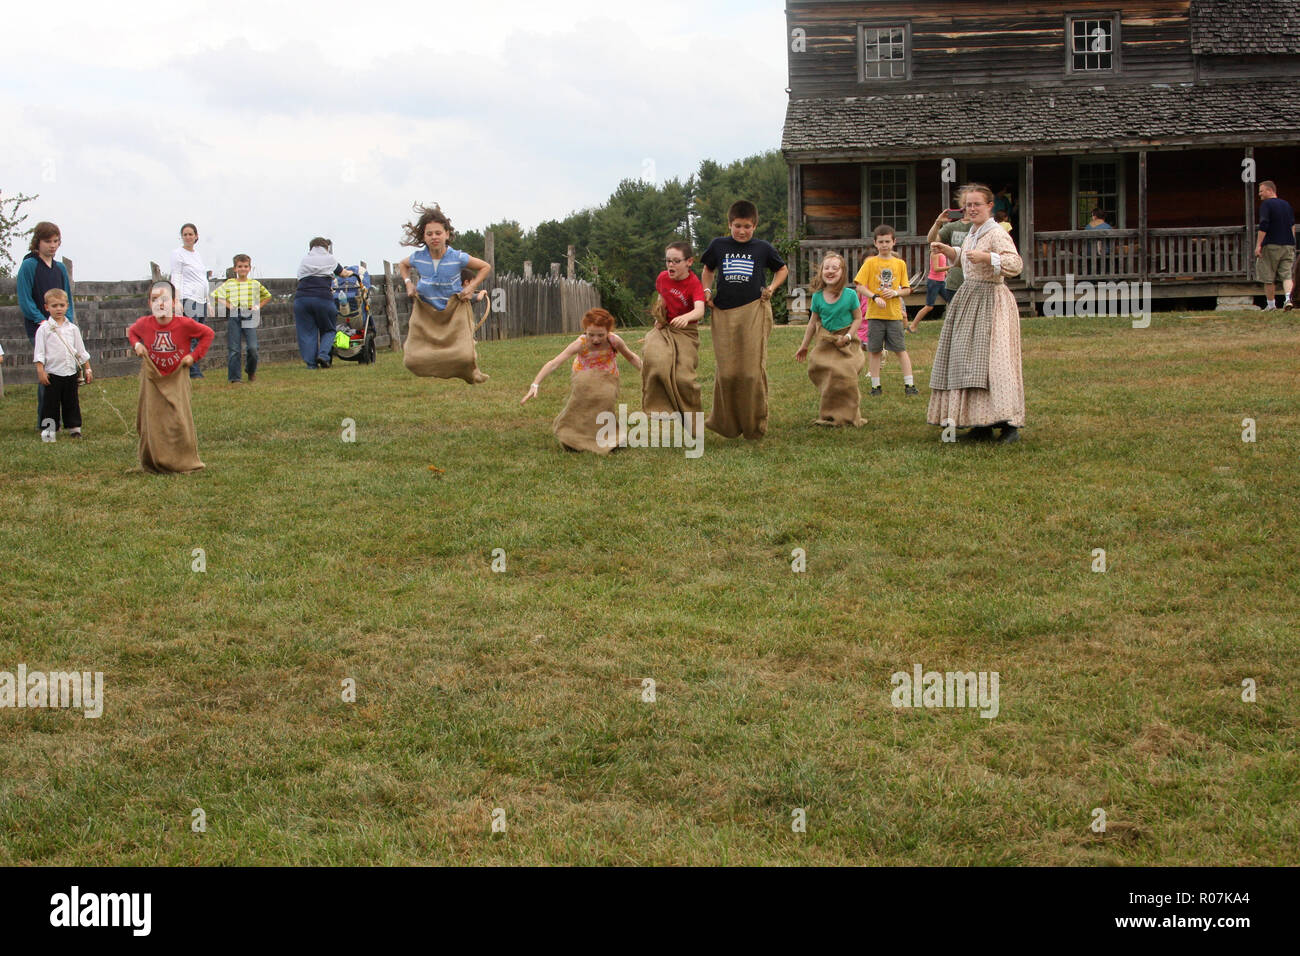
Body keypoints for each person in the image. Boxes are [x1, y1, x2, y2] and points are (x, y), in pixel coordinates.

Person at [927, 184, 1026, 444]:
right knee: (968, 361)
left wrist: (988, 257)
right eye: (968, 205)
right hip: (969, 297)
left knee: (995, 361)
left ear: (989, 206)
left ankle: (1007, 424)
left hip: (992, 300)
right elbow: (968, 258)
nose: (971, 209)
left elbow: (1015, 264)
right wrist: (952, 253)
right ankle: (980, 422)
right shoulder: (972, 232)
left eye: (977, 204)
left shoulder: (996, 233)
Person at [699, 200, 788, 439]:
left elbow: (782, 269)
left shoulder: (763, 248)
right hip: (723, 313)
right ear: (729, 224)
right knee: (727, 372)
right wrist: (706, 292)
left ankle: (753, 426)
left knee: (750, 372)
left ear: (755, 226)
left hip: (753, 312)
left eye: (747, 226)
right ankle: (726, 424)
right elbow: (707, 271)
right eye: (737, 226)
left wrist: (772, 287)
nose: (741, 231)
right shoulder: (718, 245)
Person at [521, 308, 642, 454]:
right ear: (585, 331)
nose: (596, 339)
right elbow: (555, 363)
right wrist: (535, 383)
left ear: (608, 331)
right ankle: (572, 437)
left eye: (601, 335)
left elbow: (632, 358)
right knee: (582, 404)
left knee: (605, 400)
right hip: (583, 376)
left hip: (608, 376)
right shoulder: (580, 343)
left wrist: (648, 374)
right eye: (591, 335)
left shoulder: (614, 341)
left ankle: (608, 437)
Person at [127, 280, 215, 473]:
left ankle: (182, 460)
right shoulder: (144, 324)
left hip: (176, 377)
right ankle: (153, 459)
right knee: (151, 419)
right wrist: (137, 345)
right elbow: (132, 332)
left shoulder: (184, 323)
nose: (160, 303)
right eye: (154, 299)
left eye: (164, 299)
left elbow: (207, 334)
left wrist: (193, 356)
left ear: (174, 302)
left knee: (178, 418)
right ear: (149, 303)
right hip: (152, 377)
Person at [16, 222, 74, 430]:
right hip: (40, 328)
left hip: (62, 328)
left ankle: (65, 419)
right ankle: (47, 421)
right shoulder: (29, 265)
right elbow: (24, 299)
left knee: (63, 372)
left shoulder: (59, 268)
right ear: (38, 242)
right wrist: (43, 321)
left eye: (56, 241)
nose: (52, 245)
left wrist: (69, 323)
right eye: (48, 241)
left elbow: (67, 298)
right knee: (47, 372)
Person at [795, 253, 865, 426]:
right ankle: (828, 415)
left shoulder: (849, 295)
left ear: (842, 272)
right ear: (821, 272)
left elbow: (858, 318)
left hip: (848, 342)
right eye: (827, 268)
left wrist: (848, 336)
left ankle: (850, 416)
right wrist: (804, 346)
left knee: (846, 374)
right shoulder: (818, 297)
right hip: (827, 341)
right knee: (827, 373)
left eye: (835, 268)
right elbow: (813, 323)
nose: (830, 271)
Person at [642, 240, 705, 430]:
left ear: (689, 262)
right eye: (668, 261)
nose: (671, 265)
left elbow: (700, 310)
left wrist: (686, 318)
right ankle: (660, 409)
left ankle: (693, 423)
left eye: (676, 261)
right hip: (665, 329)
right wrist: (660, 315)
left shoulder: (694, 283)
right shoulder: (662, 278)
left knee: (684, 378)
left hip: (687, 332)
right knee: (654, 360)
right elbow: (663, 297)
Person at [853, 225, 916, 397]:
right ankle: (876, 386)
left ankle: (909, 384)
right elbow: (859, 286)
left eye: (887, 241)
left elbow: (906, 289)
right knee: (874, 351)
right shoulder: (871, 263)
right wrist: (874, 297)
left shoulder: (899, 264)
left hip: (894, 314)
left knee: (900, 349)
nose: (884, 245)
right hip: (874, 315)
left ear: (894, 242)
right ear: (875, 243)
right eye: (880, 242)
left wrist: (895, 293)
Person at [397, 204, 491, 309]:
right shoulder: (418, 258)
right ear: (424, 237)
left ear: (446, 234)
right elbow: (402, 264)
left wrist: (472, 287)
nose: (434, 237)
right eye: (429, 234)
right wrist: (408, 283)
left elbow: (485, 267)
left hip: (455, 314)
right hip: (426, 315)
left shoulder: (458, 257)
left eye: (438, 233)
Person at [33, 289, 91, 439]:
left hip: (70, 371)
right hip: (53, 373)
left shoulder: (73, 329)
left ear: (67, 306)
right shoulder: (44, 329)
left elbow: (81, 350)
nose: (58, 309)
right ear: (47, 307)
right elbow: (39, 352)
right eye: (54, 305)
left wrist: (88, 368)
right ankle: (49, 431)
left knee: (71, 401)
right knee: (50, 404)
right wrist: (41, 371)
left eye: (61, 305)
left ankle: (74, 428)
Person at [210, 254, 272, 384]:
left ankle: (250, 370)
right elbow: (216, 294)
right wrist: (229, 306)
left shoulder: (254, 284)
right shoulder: (230, 283)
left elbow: (267, 296)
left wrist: (257, 306)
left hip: (249, 315)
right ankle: (235, 378)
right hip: (234, 316)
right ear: (235, 269)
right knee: (234, 348)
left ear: (249, 268)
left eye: (245, 266)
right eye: (240, 266)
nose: (242, 269)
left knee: (253, 348)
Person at [293, 238, 353, 369]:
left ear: (311, 248)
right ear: (326, 248)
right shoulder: (329, 258)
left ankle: (311, 365)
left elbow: (302, 279)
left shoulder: (305, 260)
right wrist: (351, 273)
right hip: (322, 298)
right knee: (329, 329)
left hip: (302, 299)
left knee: (307, 333)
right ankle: (324, 355)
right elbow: (343, 273)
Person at [169, 224, 212, 379]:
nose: (188, 237)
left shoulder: (197, 255)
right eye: (185, 234)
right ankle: (193, 372)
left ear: (196, 236)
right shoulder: (178, 254)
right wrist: (177, 300)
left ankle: (190, 368)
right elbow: (176, 276)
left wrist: (208, 300)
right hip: (188, 298)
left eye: (190, 234)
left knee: (200, 336)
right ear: (181, 236)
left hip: (201, 299)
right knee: (190, 337)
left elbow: (202, 278)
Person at [1255, 181, 1295, 311]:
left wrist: (1258, 245)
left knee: (1268, 276)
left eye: (1261, 191)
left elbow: (1264, 225)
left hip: (1271, 244)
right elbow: (1292, 225)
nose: (1259, 194)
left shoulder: (1266, 205)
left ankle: (1271, 306)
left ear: (1270, 190)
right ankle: (1288, 299)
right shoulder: (1286, 205)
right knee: (1287, 275)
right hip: (1288, 244)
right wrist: (1292, 241)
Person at [928, 192, 972, 303]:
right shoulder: (952, 226)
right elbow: (931, 240)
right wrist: (938, 223)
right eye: (967, 204)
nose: (970, 208)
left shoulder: (981, 225)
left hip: (975, 281)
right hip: (954, 282)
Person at [908, 249, 951, 330]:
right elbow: (936, 268)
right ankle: (912, 326)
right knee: (929, 306)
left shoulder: (942, 253)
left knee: (952, 301)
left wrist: (947, 274)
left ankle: (951, 325)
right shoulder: (934, 254)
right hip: (934, 282)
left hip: (942, 282)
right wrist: (950, 267)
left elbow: (943, 267)